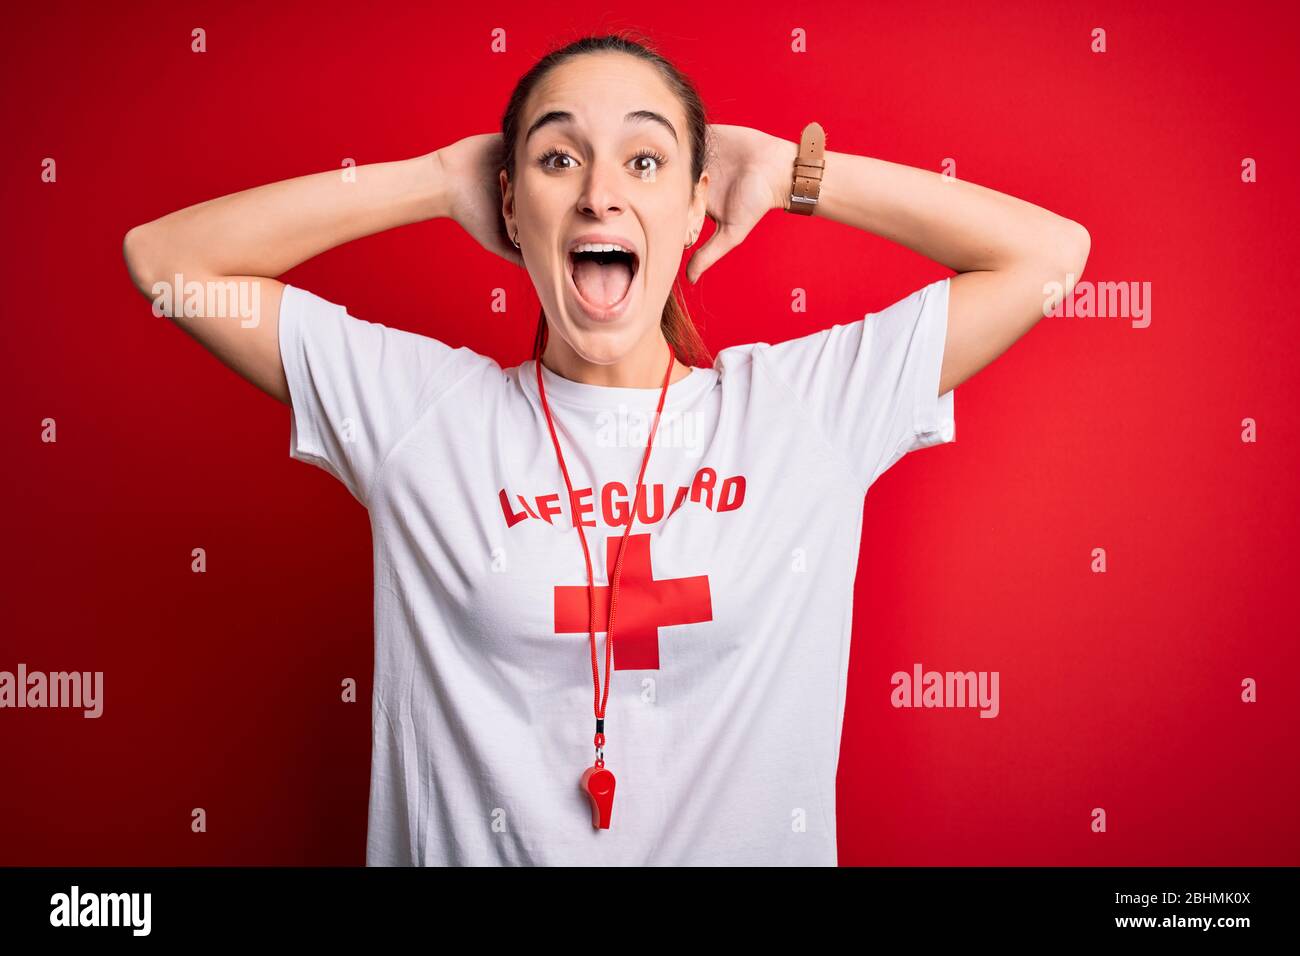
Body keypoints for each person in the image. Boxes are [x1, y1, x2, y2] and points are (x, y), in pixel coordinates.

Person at [122, 33, 1089, 866]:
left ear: (695, 203)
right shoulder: (424, 419)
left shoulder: (802, 415)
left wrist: (795, 174)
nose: (598, 196)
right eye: (556, 161)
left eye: (645, 161)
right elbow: (168, 264)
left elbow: (1049, 258)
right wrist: (429, 181)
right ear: (509, 210)